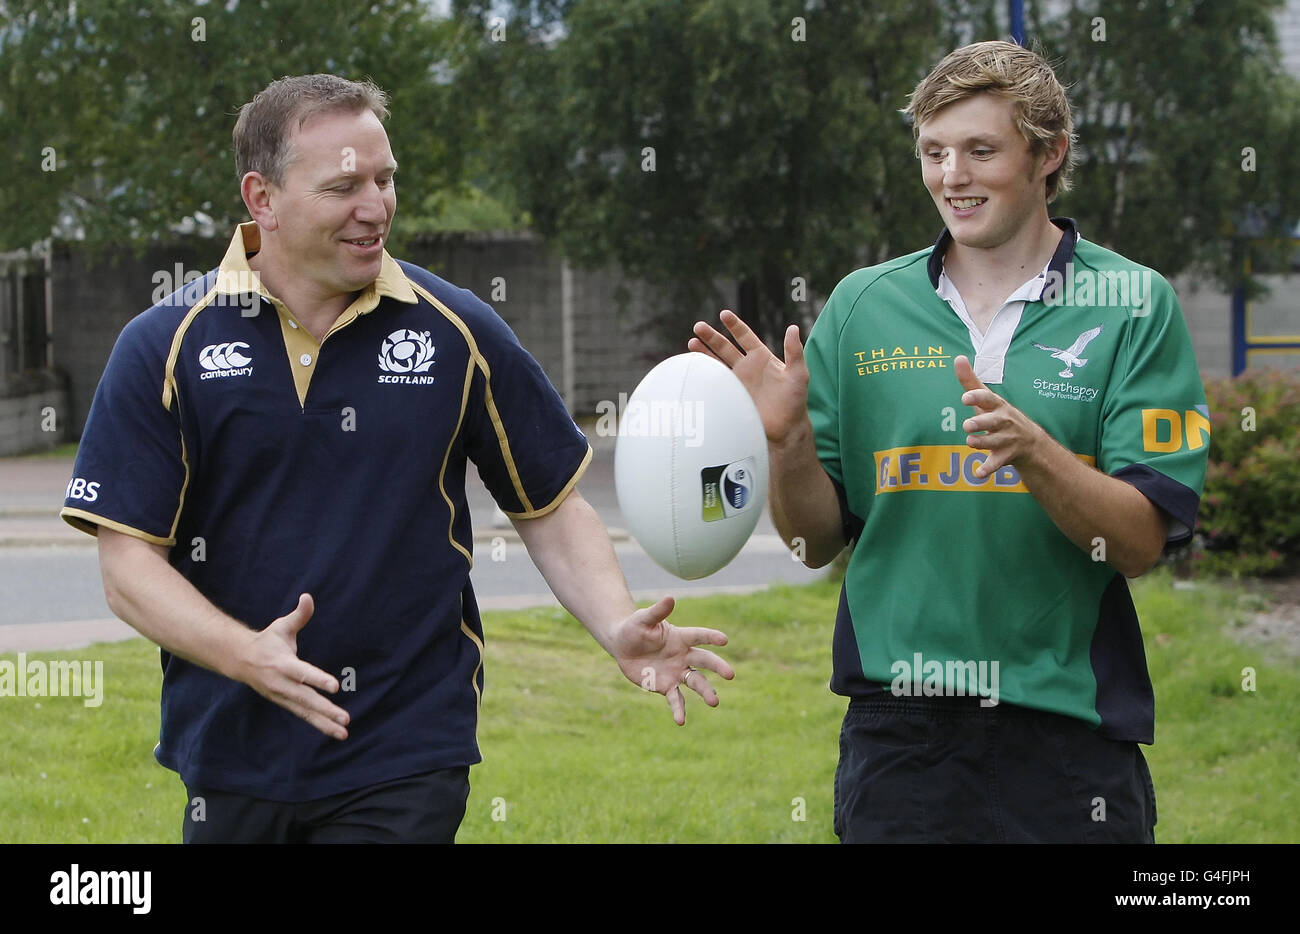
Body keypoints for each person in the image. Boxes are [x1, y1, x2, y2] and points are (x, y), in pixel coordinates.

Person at [60, 73, 732, 844]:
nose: (375, 206)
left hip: (406, 749)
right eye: (344, 185)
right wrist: (246, 655)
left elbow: (546, 505)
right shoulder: (165, 344)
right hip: (229, 754)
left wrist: (617, 625)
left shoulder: (457, 331)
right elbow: (128, 568)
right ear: (262, 198)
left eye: (385, 179)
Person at [690, 40, 1209, 843]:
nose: (951, 176)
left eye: (980, 150)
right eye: (933, 152)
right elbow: (813, 542)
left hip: (1068, 731)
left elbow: (1139, 542)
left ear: (1050, 155)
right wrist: (786, 441)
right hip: (899, 736)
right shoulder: (864, 305)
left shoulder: (1134, 303)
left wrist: (1036, 453)